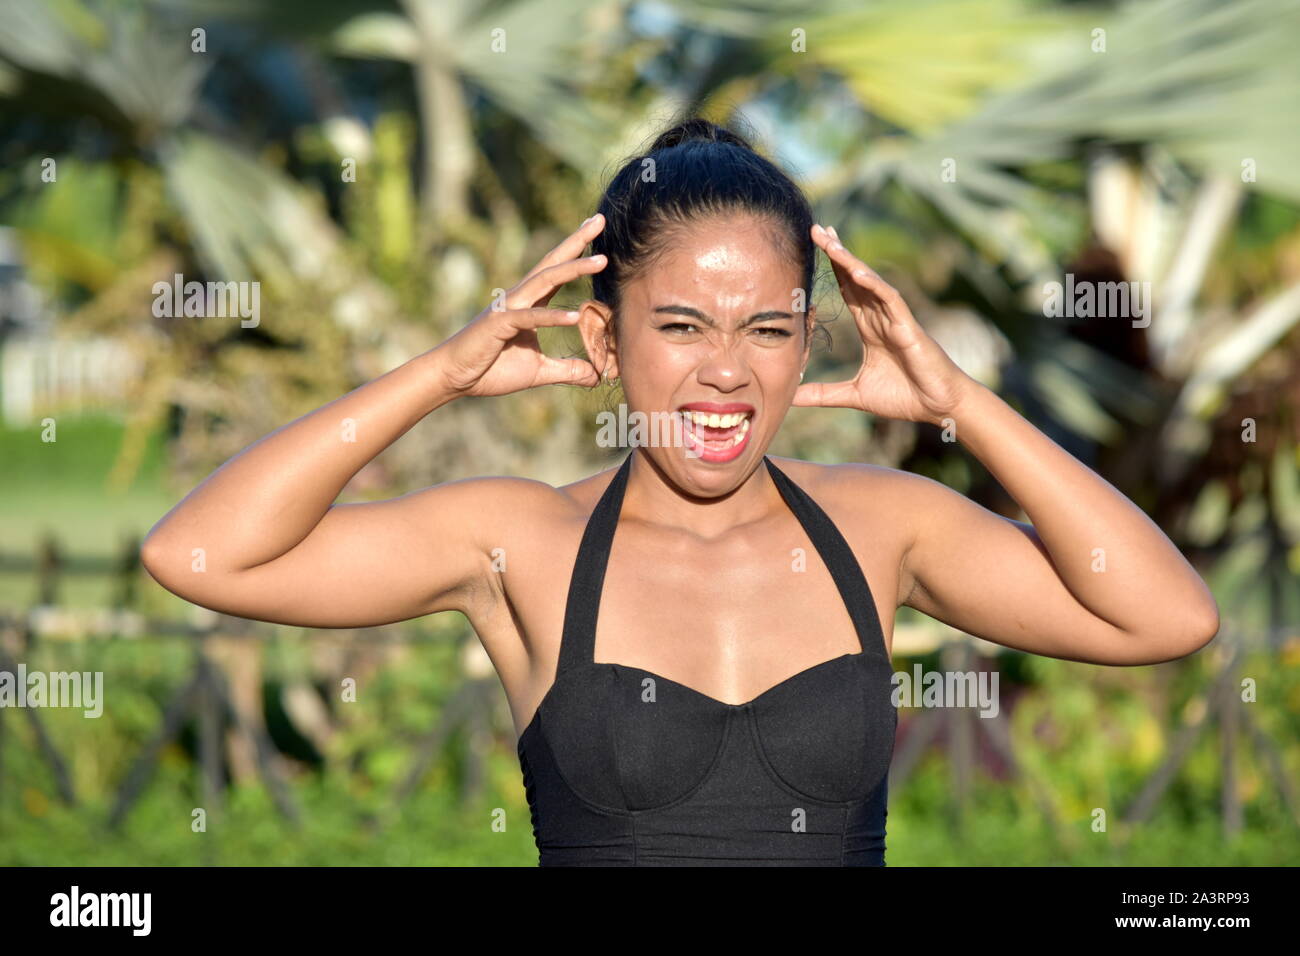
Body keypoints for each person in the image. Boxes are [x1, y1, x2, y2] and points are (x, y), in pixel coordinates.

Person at [141, 118, 1220, 866]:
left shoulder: (877, 524)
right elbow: (198, 554)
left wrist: (963, 403)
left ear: (807, 341)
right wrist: (439, 372)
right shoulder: (523, 538)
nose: (726, 370)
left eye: (766, 328)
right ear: (603, 336)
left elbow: (1166, 614)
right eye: (681, 325)